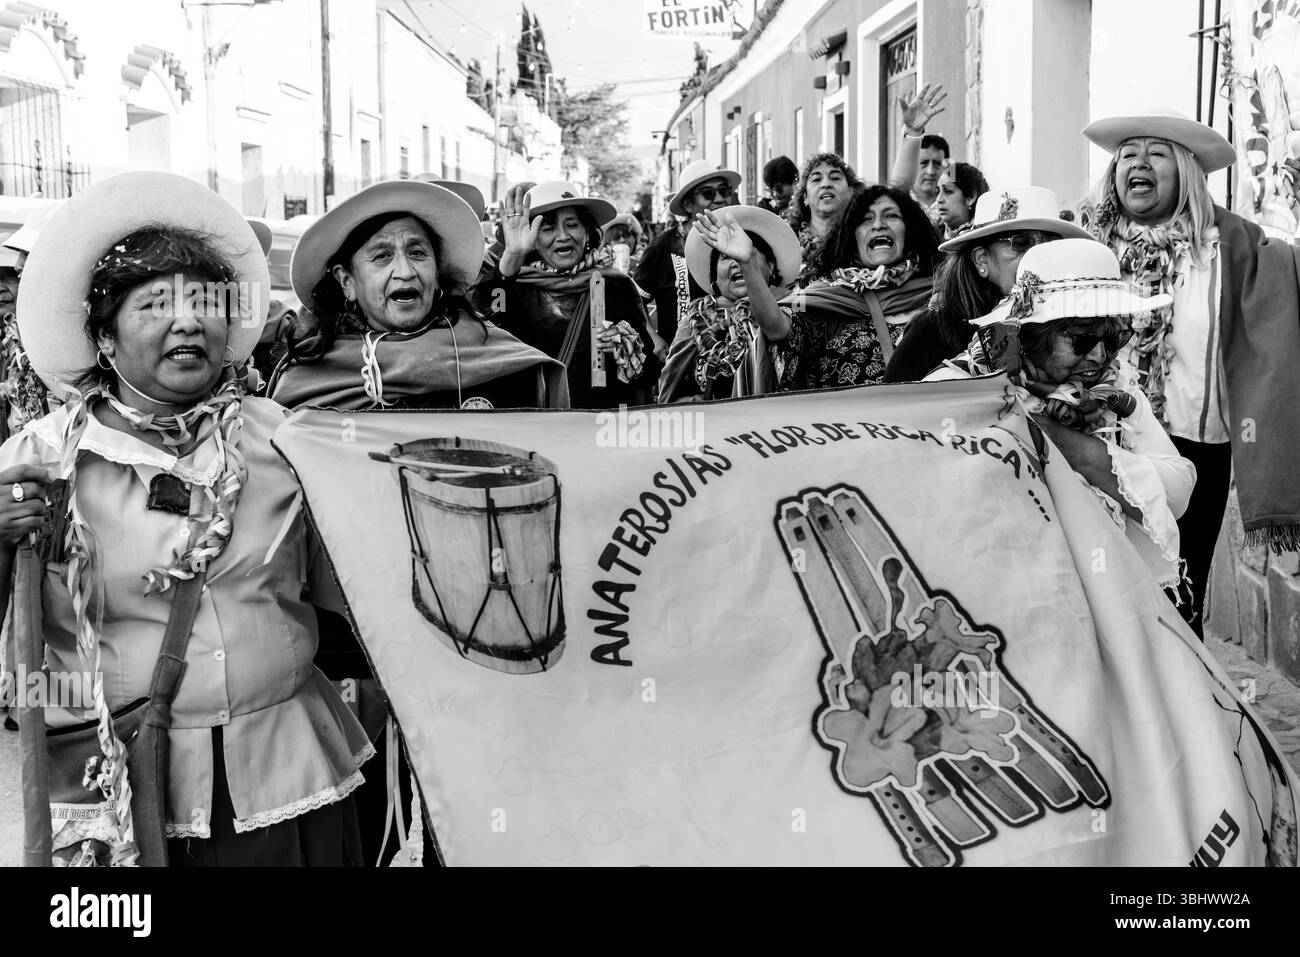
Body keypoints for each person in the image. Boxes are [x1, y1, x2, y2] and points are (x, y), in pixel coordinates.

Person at [0, 171, 373, 865]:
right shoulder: (37, 461)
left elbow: (359, 589)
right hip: (116, 799)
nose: (188, 320)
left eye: (205, 302)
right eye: (156, 304)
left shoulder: (287, 441)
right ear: (103, 338)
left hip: (286, 778)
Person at [1080, 106, 1300, 637]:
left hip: (1193, 446)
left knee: (1179, 592)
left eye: (1157, 154)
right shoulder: (1085, 245)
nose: (1139, 163)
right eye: (1128, 154)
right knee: (1100, 587)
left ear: (1186, 173)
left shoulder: (1229, 247)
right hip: (1095, 438)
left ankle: (1183, 704)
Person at [926, 239, 1195, 589]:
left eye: (1113, 339)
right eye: (1082, 341)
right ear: (1031, 337)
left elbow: (1178, 490)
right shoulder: (959, 390)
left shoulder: (1115, 392)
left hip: (1105, 595)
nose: (1101, 356)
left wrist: (1078, 450)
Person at [271, 179, 568, 412]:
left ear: (437, 273)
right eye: (382, 256)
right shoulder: (310, 373)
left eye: (417, 253)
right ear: (346, 281)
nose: (405, 270)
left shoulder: (493, 356)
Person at [477, 181, 661, 409]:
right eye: (548, 228)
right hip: (534, 429)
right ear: (533, 239)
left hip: (600, 427)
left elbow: (650, 374)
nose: (562, 236)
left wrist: (628, 351)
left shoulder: (616, 285)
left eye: (572, 225)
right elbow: (484, 327)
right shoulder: (512, 286)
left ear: (587, 231)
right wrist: (511, 257)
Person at [885, 185, 1094, 383]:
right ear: (982, 259)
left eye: (1050, 244)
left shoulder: (1074, 323)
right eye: (1021, 243)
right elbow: (888, 411)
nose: (1039, 255)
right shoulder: (932, 332)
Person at [750, 185, 939, 391]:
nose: (878, 225)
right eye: (866, 219)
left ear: (909, 230)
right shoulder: (818, 297)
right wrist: (748, 264)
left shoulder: (942, 293)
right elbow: (776, 327)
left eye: (891, 215)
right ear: (853, 236)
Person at [657, 206, 801, 402]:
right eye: (726, 257)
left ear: (772, 266)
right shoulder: (694, 319)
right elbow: (669, 395)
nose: (737, 261)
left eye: (748, 253)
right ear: (715, 278)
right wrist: (699, 404)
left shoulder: (794, 305)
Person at [636, 159, 741, 347]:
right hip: (681, 360)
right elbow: (635, 300)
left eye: (724, 191)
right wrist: (653, 338)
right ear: (687, 205)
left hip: (733, 356)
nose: (719, 199)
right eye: (708, 193)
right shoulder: (663, 246)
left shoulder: (741, 240)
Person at [785, 152, 864, 284]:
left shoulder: (864, 236)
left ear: (851, 192)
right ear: (804, 197)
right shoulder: (784, 240)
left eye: (835, 178)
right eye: (816, 179)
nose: (826, 184)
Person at [889, 84, 950, 229]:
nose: (930, 171)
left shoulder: (955, 204)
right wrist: (912, 132)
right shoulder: (898, 203)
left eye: (937, 164)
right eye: (923, 163)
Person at [935, 162, 989, 239]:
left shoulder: (988, 234)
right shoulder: (930, 234)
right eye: (937, 192)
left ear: (971, 197)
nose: (939, 199)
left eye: (948, 191)